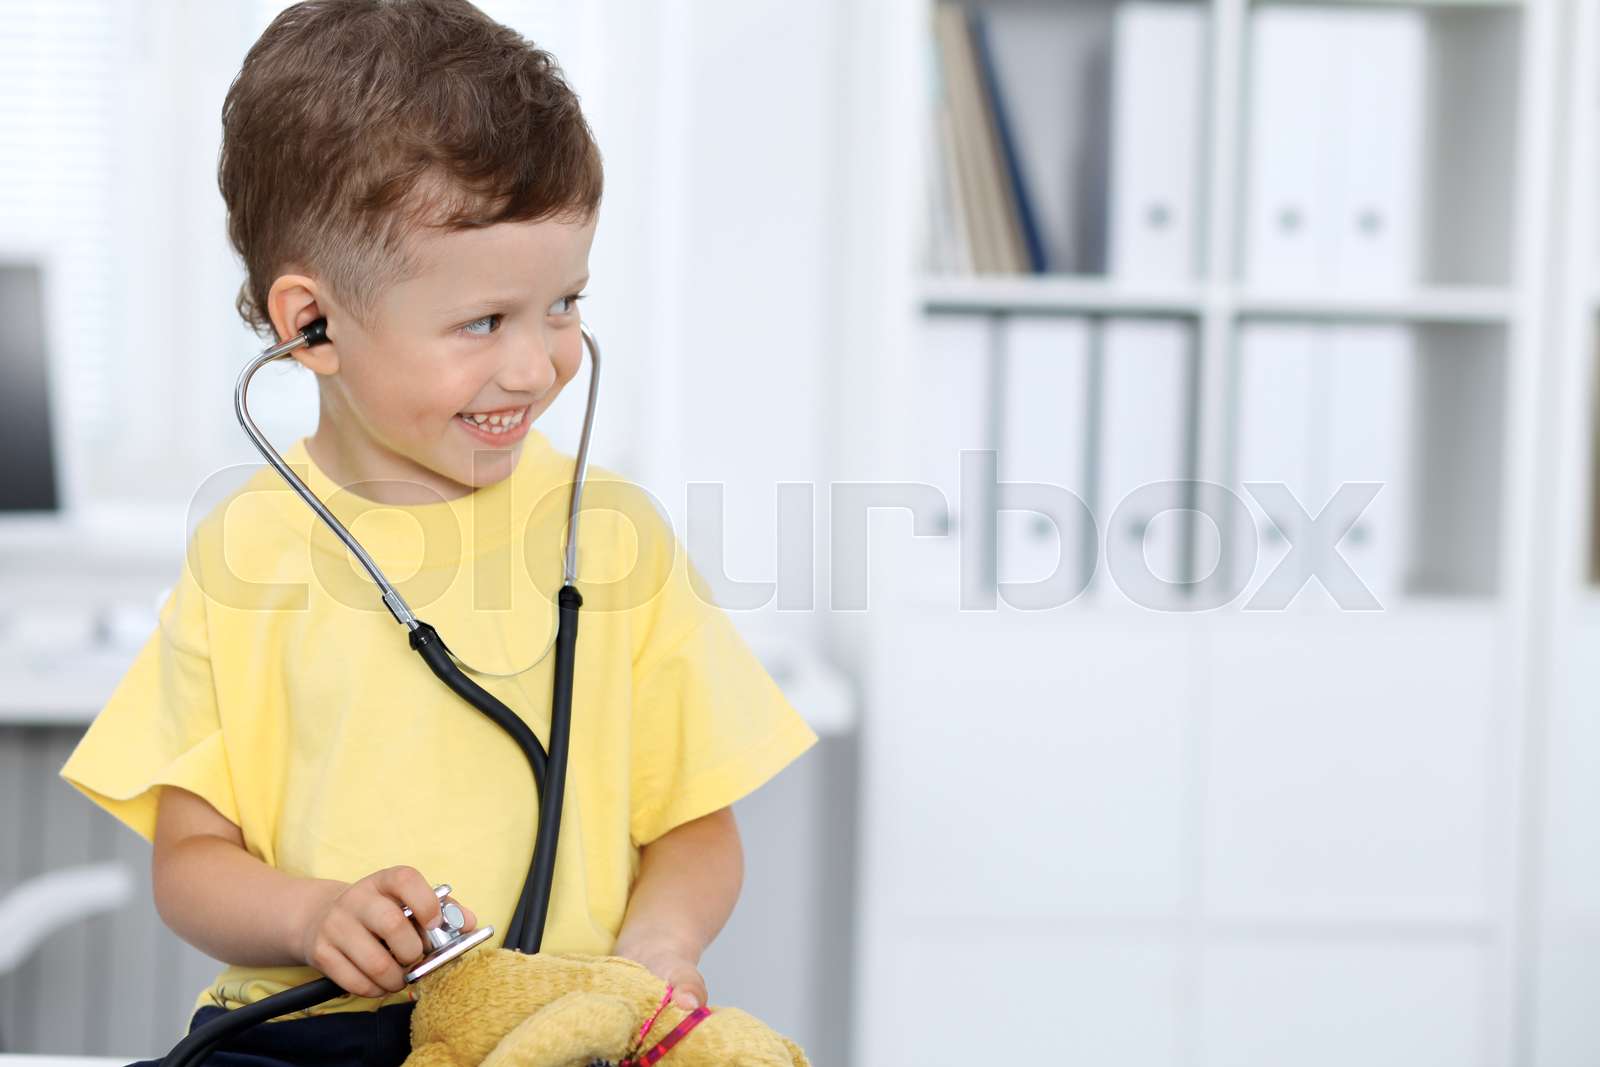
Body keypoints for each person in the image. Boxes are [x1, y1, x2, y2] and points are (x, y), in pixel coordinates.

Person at [56, 2, 818, 1064]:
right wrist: (311, 913)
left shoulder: (613, 536)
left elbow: (695, 828)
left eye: (562, 303)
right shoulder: (246, 552)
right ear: (308, 325)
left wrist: (662, 940)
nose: (534, 364)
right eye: (482, 322)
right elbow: (190, 858)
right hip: (310, 1028)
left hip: (551, 1028)